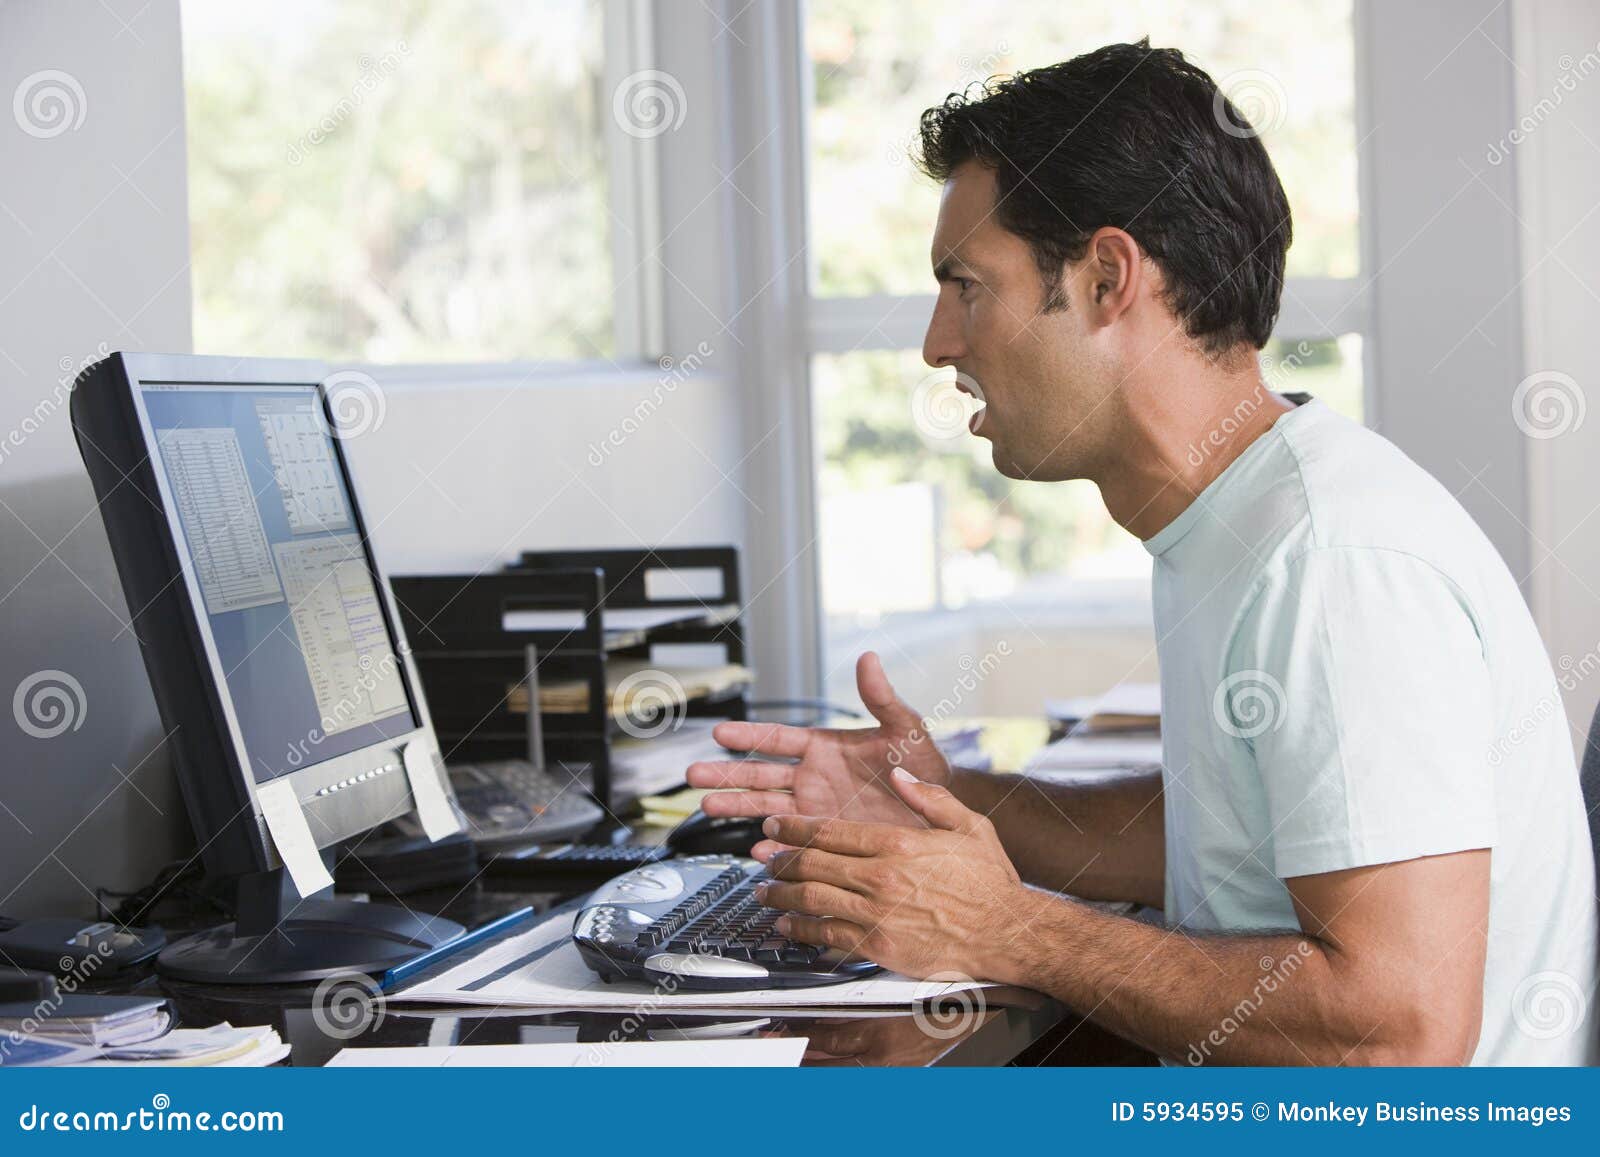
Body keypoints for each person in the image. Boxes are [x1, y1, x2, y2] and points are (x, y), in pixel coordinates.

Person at [687, 41, 1598, 1065]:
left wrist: (1010, 927)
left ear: (1107, 277)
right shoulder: (1243, 514)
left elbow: (1399, 1035)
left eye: (966, 286)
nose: (939, 343)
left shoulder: (1331, 562)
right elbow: (1243, 831)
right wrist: (944, 794)